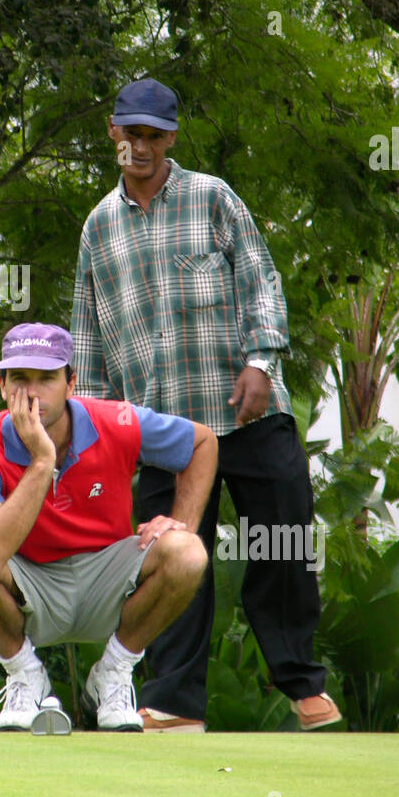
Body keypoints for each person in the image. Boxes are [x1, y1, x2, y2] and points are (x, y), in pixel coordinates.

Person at [71, 77, 340, 732]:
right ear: (114, 132)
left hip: (242, 410)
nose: (140, 145)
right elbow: (88, 335)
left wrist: (260, 361)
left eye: (153, 135)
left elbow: (261, 280)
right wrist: (92, 429)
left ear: (170, 139)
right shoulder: (98, 229)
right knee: (171, 556)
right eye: (130, 133)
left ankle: (302, 685)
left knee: (284, 538)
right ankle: (173, 701)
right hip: (160, 431)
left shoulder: (212, 198)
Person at [0, 322, 217, 730]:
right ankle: (25, 676)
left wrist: (183, 521)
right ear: (2, 386)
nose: (33, 392)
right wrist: (41, 462)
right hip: (29, 579)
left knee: (189, 550)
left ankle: (114, 671)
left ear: (71, 382)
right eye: (20, 379)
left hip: (109, 575)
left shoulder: (119, 421)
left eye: (47, 378)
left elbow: (202, 442)